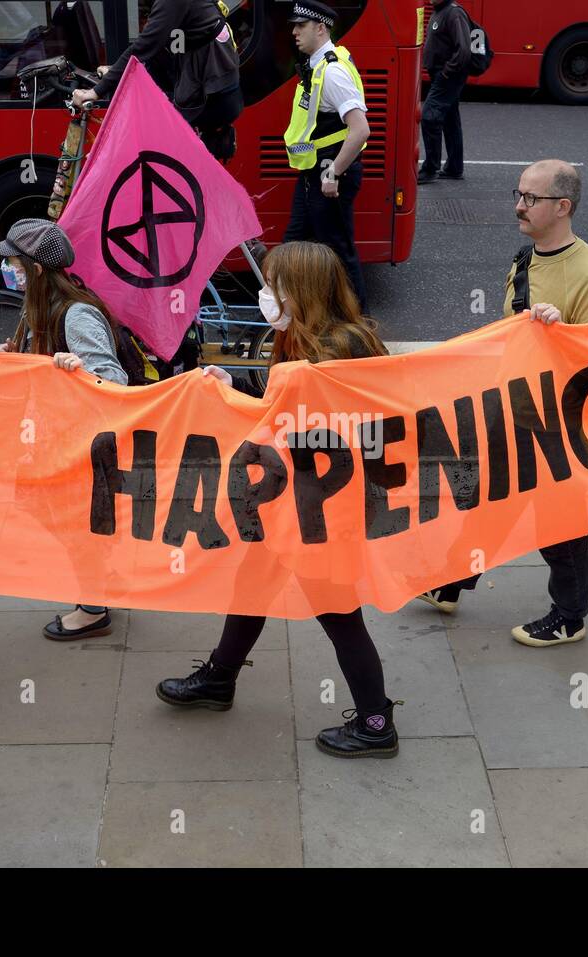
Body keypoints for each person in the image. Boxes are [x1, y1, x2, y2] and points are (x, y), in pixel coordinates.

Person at [155, 241, 403, 758]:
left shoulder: (342, 349)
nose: (266, 295)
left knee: (337, 612)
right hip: (294, 498)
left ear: (301, 289)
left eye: (273, 285)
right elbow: (280, 417)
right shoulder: (302, 338)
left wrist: (251, 404)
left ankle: (376, 723)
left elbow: (321, 428)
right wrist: (234, 392)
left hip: (323, 511)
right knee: (253, 582)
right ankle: (220, 679)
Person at [414, 160, 588, 648]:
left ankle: (570, 616)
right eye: (519, 194)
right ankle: (453, 580)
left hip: (560, 421)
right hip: (515, 404)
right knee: (488, 494)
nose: (518, 206)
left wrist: (564, 334)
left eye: (531, 199)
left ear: (562, 207)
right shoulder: (527, 257)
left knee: (558, 521)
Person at [0, 218, 144, 640]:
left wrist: (74, 370)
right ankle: (103, 576)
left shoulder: (75, 314)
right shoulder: (38, 306)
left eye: (15, 263)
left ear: (36, 269)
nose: (9, 270)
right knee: (68, 521)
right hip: (56, 438)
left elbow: (113, 382)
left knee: (76, 525)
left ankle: (93, 609)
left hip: (80, 446)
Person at [281, 1, 371, 312]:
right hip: (311, 176)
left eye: (300, 26)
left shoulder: (332, 72)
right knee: (293, 245)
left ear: (320, 28)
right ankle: (290, 317)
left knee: (339, 256)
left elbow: (360, 129)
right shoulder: (315, 67)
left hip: (330, 179)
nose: (294, 32)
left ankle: (361, 330)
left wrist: (334, 173)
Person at [71, 0, 242, 161]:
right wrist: (115, 71)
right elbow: (162, 45)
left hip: (211, 95)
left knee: (144, 131)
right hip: (209, 86)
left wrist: (96, 91)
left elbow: (147, 44)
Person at [417, 0, 471, 185]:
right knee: (450, 119)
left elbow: (464, 49)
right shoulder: (439, 11)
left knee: (429, 116)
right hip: (440, 74)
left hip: (447, 75)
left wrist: (447, 71)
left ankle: (431, 168)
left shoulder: (454, 13)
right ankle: (455, 168)